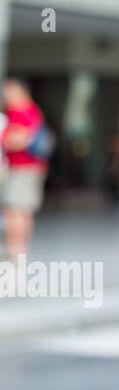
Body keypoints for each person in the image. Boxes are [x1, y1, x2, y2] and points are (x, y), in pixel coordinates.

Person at [1, 78, 49, 258]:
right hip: (30, 168)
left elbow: (22, 139)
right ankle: (19, 249)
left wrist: (5, 140)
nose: (5, 94)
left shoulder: (19, 110)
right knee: (23, 210)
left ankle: (15, 249)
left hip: (22, 168)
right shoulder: (32, 109)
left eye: (8, 90)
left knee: (15, 210)